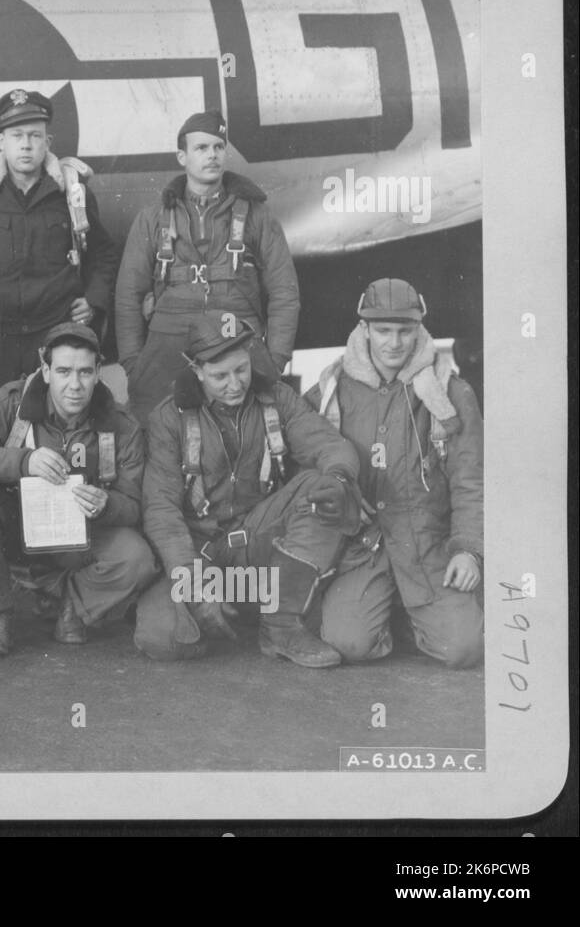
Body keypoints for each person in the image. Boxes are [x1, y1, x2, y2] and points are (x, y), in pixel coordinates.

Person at [135, 312, 363, 667]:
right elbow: (161, 511)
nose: (235, 384)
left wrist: (339, 478)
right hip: (201, 553)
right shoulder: (169, 418)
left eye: (241, 369)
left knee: (323, 486)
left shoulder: (277, 398)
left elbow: (330, 445)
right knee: (160, 638)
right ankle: (235, 607)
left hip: (257, 538)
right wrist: (194, 586)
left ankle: (280, 625)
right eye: (219, 376)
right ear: (196, 370)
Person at [0, 322, 156, 657]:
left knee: (137, 558)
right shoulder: (11, 404)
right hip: (17, 527)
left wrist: (106, 504)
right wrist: (23, 462)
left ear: (99, 372)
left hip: (81, 536)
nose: (75, 385)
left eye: (85, 372)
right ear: (45, 370)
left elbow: (134, 504)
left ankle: (71, 603)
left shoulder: (120, 425)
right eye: (63, 371)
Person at [308, 279, 484, 668]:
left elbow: (470, 480)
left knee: (463, 650)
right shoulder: (331, 392)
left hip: (426, 543)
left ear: (419, 329)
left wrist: (468, 550)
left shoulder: (450, 393)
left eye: (405, 331)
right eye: (383, 331)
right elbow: (304, 464)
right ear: (364, 329)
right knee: (347, 643)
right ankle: (391, 611)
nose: (394, 343)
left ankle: (417, 614)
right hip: (363, 545)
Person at [115, 110, 299, 422]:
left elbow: (285, 292)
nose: (211, 155)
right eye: (201, 148)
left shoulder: (257, 216)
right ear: (182, 156)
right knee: (153, 429)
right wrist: (134, 363)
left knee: (252, 433)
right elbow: (128, 296)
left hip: (238, 337)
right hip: (168, 341)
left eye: (218, 147)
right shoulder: (152, 218)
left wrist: (275, 359)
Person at [0, 89, 117, 407]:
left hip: (53, 332)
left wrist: (93, 300)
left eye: (35, 135)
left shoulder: (73, 193)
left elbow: (103, 253)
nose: (26, 144)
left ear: (48, 142)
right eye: (17, 135)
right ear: (1, 141)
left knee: (56, 421)